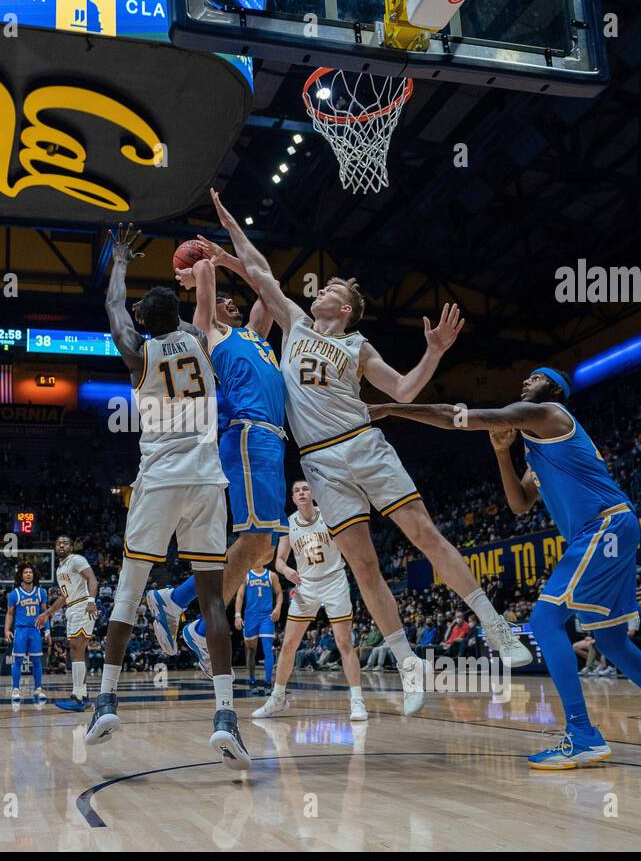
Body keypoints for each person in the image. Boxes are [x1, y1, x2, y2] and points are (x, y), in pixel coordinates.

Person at [205, 189, 532, 718]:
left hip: (364, 446)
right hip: (319, 461)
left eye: (331, 288)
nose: (320, 290)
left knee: (425, 535)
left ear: (347, 309)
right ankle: (408, 665)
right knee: (364, 564)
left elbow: (402, 391)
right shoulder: (295, 325)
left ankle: (497, 629)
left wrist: (433, 353)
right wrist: (230, 230)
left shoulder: (358, 347)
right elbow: (261, 272)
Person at [371, 367, 641, 768]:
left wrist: (391, 409)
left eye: (534, 378)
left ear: (553, 389)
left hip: (602, 527)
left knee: (545, 620)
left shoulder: (550, 414)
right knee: (612, 642)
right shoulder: (536, 445)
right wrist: (502, 451)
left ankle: (582, 734)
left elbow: (454, 417)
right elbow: (519, 504)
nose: (524, 382)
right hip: (608, 530)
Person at [84, 227, 251, 770]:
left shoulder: (137, 353)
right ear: (177, 314)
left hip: (157, 482)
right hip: (207, 482)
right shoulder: (200, 338)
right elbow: (205, 299)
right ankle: (225, 714)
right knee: (212, 602)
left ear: (142, 322)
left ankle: (106, 699)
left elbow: (112, 305)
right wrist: (204, 263)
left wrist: (120, 263)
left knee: (130, 592)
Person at [148, 250, 286, 666]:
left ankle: (174, 599)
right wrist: (205, 265)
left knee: (262, 551)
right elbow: (207, 274)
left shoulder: (256, 336)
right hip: (247, 433)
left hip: (272, 440)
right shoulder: (211, 334)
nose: (235, 305)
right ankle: (201, 629)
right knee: (257, 542)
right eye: (228, 302)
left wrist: (237, 261)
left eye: (235, 303)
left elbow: (267, 291)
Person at [254, 479, 368, 720]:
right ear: (293, 499)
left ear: (312, 493)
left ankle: (357, 701)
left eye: (305, 488)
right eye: (296, 490)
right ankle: (277, 698)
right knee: (289, 644)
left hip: (334, 580)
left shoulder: (328, 515)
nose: (301, 492)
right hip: (305, 584)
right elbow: (279, 560)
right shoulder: (288, 524)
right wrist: (286, 572)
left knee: (343, 641)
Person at [40, 535, 99, 711]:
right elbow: (64, 597)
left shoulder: (76, 560)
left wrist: (91, 601)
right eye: (58, 543)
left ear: (71, 547)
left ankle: (78, 697)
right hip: (72, 608)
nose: (61, 546)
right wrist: (48, 613)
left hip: (83, 604)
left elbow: (92, 579)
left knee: (77, 647)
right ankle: (82, 694)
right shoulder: (59, 570)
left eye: (65, 543)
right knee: (74, 649)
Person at [234, 558, 281, 692]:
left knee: (267, 649)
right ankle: (251, 680)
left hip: (266, 616)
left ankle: (267, 683)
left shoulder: (272, 575)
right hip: (251, 615)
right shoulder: (246, 575)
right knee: (251, 650)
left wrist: (277, 608)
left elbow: (279, 594)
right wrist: (237, 615)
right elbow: (240, 595)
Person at [5, 565, 49, 704]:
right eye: (26, 572)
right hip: (21, 630)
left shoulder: (41, 592)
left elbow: (44, 613)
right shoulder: (14, 594)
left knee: (36, 661)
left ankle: (38, 688)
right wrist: (7, 630)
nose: (28, 574)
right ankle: (16, 690)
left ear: (33, 575)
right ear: (21, 576)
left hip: (35, 630)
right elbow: (10, 613)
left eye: (30, 572)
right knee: (18, 661)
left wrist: (47, 630)